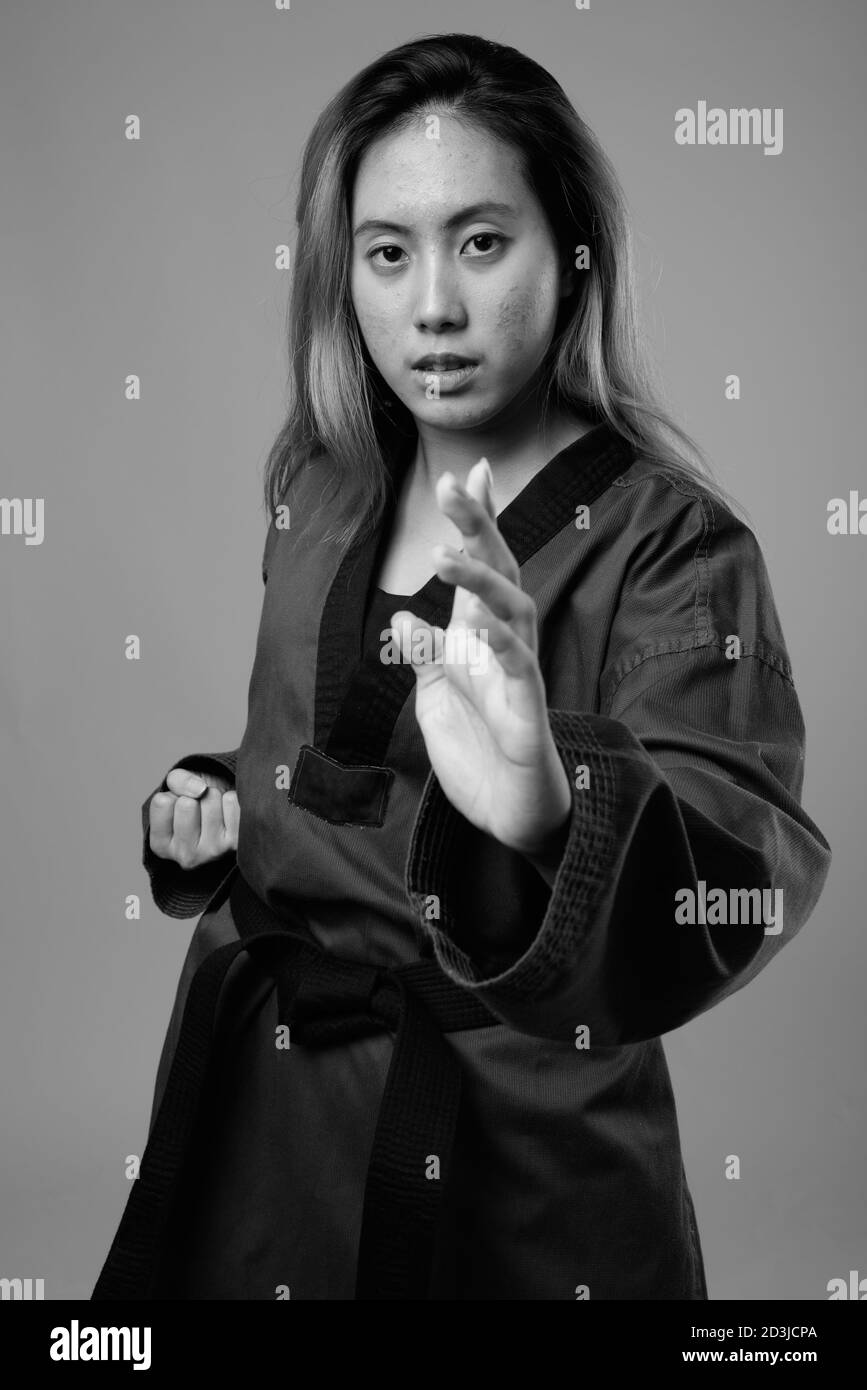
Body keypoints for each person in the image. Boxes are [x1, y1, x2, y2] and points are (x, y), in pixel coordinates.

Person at [92, 32, 831, 1301]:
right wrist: (220, 804)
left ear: (572, 253)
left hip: (512, 1157)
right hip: (257, 1120)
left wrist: (557, 812)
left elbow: (741, 882)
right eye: (388, 252)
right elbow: (318, 756)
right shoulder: (323, 485)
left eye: (482, 242)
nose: (432, 305)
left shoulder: (676, 551)